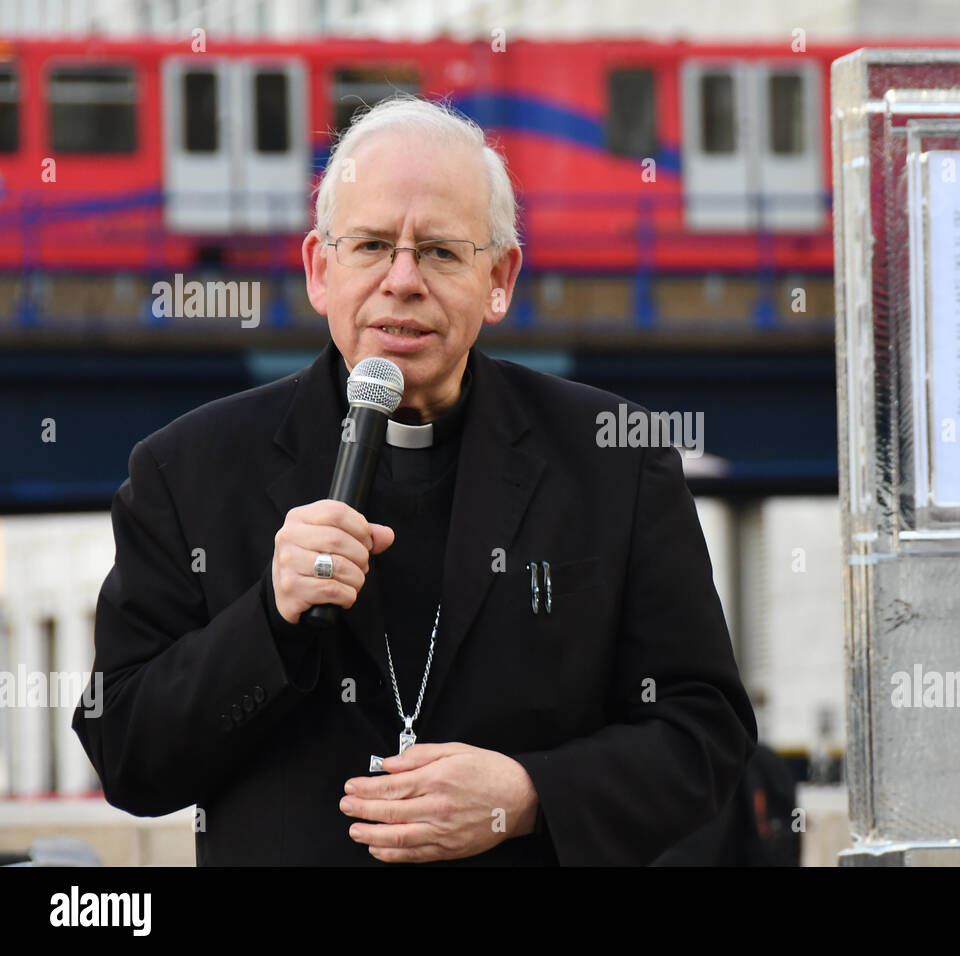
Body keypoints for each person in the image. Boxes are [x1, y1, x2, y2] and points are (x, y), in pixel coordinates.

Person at [72, 95, 757, 865]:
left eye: (439, 251)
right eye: (369, 246)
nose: (402, 280)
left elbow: (705, 733)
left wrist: (529, 795)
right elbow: (125, 752)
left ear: (498, 277)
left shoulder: (615, 458)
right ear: (319, 270)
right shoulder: (186, 468)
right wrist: (267, 618)